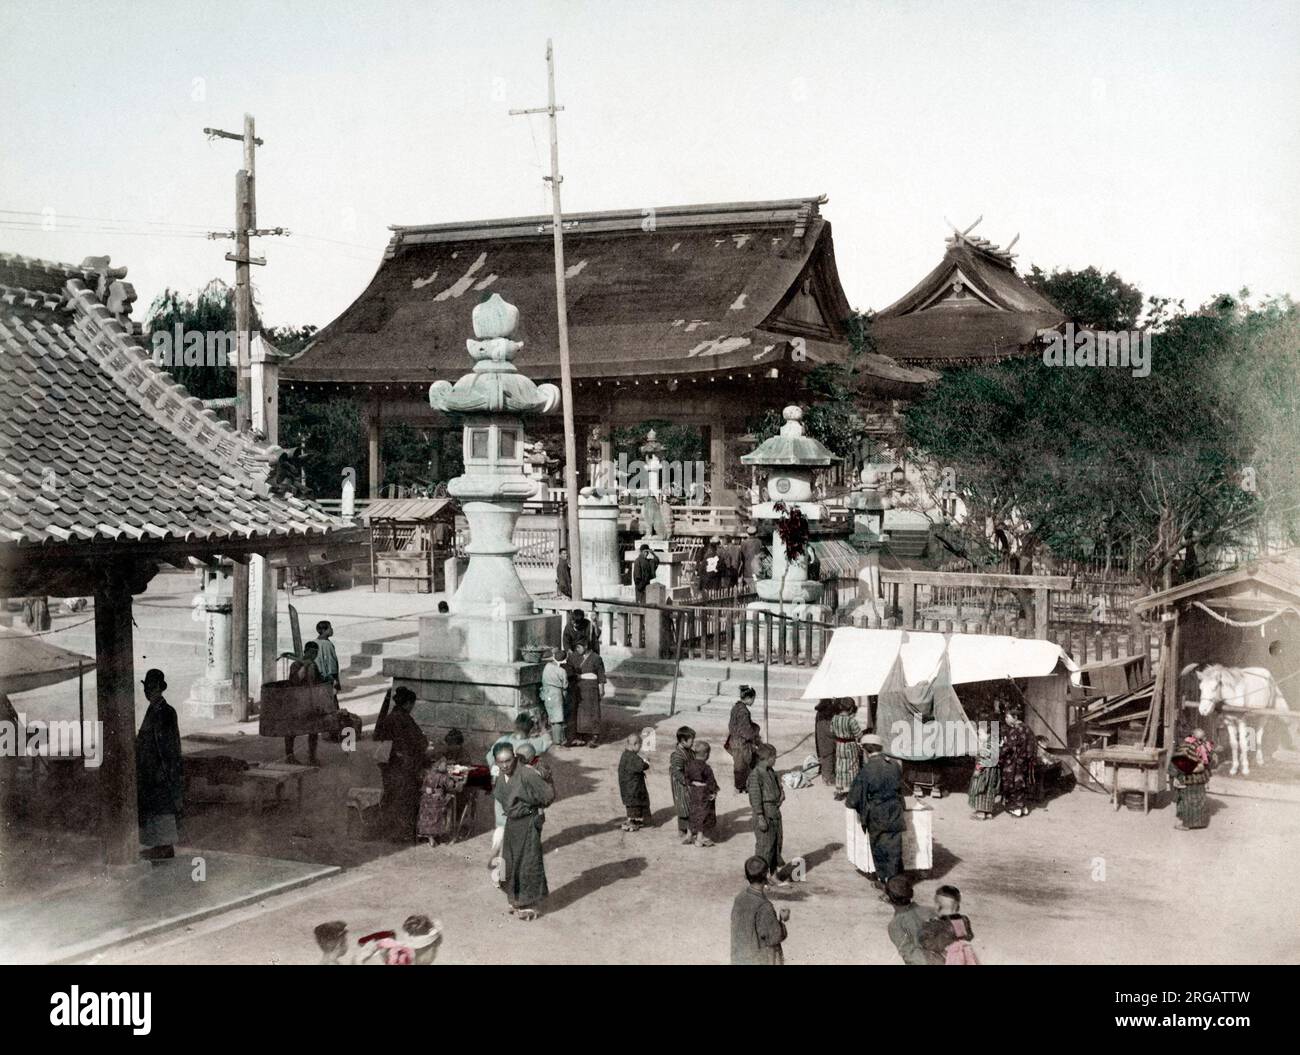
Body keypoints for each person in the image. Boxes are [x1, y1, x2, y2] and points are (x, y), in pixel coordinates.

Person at [493, 742, 555, 921]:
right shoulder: (501, 775)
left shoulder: (527, 773)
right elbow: (499, 794)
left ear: (514, 757)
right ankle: (514, 898)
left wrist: (534, 806)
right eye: (500, 761)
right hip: (512, 822)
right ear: (496, 761)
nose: (505, 765)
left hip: (528, 821)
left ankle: (528, 902)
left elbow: (548, 795)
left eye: (508, 760)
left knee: (527, 861)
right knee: (511, 860)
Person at [486, 715, 554, 878]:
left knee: (501, 824)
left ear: (515, 726)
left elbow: (490, 757)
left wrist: (495, 774)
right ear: (530, 729)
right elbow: (548, 741)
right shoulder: (532, 744)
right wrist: (543, 728)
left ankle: (496, 847)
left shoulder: (503, 741)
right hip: (520, 793)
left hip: (502, 788)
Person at [847, 733, 906, 890]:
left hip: (877, 814)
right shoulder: (894, 765)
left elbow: (854, 798)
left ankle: (885, 882)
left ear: (866, 750)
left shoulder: (867, 769)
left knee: (880, 849)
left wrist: (855, 805)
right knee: (894, 848)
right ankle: (896, 881)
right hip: (895, 811)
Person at [136, 668, 183, 861]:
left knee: (163, 808)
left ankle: (165, 846)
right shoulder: (151, 709)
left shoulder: (167, 712)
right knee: (152, 808)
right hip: (149, 768)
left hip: (161, 768)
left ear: (159, 688)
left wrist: (167, 769)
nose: (148, 691)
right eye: (146, 688)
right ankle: (157, 845)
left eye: (151, 688)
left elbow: (172, 744)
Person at [375, 686, 429, 842]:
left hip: (388, 764)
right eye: (412, 704)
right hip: (402, 765)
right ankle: (402, 834)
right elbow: (416, 741)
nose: (412, 707)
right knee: (406, 798)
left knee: (391, 796)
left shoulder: (391, 716)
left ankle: (389, 831)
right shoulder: (403, 718)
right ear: (407, 703)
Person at [730, 856, 789, 965]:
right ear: (767, 875)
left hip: (739, 957)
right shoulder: (764, 906)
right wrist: (782, 920)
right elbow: (775, 936)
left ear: (746, 876)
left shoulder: (739, 898)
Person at [747, 743, 789, 885]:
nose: (775, 760)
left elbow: (779, 787)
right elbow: (755, 797)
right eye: (773, 757)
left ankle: (773, 875)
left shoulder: (771, 772)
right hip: (764, 813)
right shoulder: (755, 775)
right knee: (765, 846)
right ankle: (759, 879)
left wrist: (781, 794)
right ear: (766, 758)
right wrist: (760, 816)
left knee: (776, 845)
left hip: (775, 812)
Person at [885, 875, 939, 965]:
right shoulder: (930, 910)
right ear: (912, 893)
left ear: (888, 899)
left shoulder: (895, 925)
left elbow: (910, 955)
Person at [919, 885, 979, 965]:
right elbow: (969, 936)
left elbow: (925, 943)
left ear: (938, 907)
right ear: (957, 907)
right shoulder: (964, 920)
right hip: (964, 958)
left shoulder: (934, 924)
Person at [285, 641, 323, 766]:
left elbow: (318, 681)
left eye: (315, 653)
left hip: (310, 701)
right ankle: (289, 756)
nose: (313, 656)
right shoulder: (295, 665)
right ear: (305, 652)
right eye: (311, 653)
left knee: (313, 730)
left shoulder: (314, 665)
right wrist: (304, 666)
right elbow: (296, 680)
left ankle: (312, 757)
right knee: (292, 730)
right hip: (296, 701)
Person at [1169, 729, 1214, 830]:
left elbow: (1179, 761)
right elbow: (1209, 761)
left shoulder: (1195, 746)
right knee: (1191, 800)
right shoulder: (1197, 746)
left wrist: (1175, 776)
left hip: (1193, 778)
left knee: (1191, 800)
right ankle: (1189, 823)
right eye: (1201, 738)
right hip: (1193, 778)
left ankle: (1190, 823)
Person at [998, 705, 1036, 818]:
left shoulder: (1015, 730)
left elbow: (1008, 747)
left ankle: (1016, 808)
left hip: (1013, 762)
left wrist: (998, 753)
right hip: (1024, 761)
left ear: (1014, 717)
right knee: (1022, 782)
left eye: (1007, 717)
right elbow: (1033, 745)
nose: (1006, 719)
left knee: (1012, 784)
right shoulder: (1027, 728)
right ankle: (1023, 806)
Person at [567, 639, 607, 747]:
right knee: (581, 712)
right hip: (579, 688)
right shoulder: (574, 657)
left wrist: (602, 687)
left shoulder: (596, 658)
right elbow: (570, 671)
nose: (577, 649)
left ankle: (595, 736)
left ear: (585, 646)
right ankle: (582, 734)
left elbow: (601, 674)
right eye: (576, 647)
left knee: (593, 711)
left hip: (592, 689)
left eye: (579, 647)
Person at [417, 756, 460, 845]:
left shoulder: (426, 773)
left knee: (428, 815)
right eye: (445, 764)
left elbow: (421, 787)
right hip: (437, 801)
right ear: (439, 765)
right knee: (449, 801)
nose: (446, 766)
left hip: (425, 800)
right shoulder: (443, 777)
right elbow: (451, 787)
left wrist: (427, 790)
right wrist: (457, 783)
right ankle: (444, 834)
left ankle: (429, 837)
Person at [725, 685, 761, 793]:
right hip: (741, 742)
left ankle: (741, 785)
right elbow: (744, 729)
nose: (753, 701)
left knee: (741, 763)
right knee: (742, 764)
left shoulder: (736, 707)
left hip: (734, 740)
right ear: (749, 698)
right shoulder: (744, 711)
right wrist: (754, 736)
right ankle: (740, 786)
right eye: (753, 698)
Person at [685, 741, 719, 846]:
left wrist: (692, 783)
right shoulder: (706, 768)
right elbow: (711, 781)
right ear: (706, 755)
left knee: (693, 812)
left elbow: (686, 778)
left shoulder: (689, 765)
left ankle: (689, 835)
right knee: (704, 814)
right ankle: (700, 838)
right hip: (704, 793)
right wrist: (714, 791)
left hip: (694, 792)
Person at [618, 733, 652, 831]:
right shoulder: (633, 758)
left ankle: (633, 820)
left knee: (631, 804)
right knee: (635, 803)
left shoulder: (625, 755)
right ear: (635, 744)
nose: (639, 749)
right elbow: (642, 766)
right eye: (639, 746)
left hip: (626, 785)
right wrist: (647, 762)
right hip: (634, 786)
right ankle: (632, 821)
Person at [967, 721, 1000, 820]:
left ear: (988, 734)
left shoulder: (987, 745)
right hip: (992, 772)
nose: (979, 736)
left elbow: (982, 759)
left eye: (981, 734)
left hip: (984, 772)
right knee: (989, 790)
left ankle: (981, 813)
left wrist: (978, 769)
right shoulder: (993, 743)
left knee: (980, 789)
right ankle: (988, 811)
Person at [831, 698, 863, 800]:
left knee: (840, 767)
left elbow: (831, 731)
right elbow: (859, 734)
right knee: (852, 768)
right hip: (850, 746)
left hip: (839, 745)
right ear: (851, 709)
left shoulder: (834, 718)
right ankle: (851, 790)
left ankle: (839, 791)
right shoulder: (851, 720)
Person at [670, 725, 696, 841]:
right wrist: (686, 781)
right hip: (681, 785)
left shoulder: (689, 751)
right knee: (683, 806)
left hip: (689, 783)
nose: (693, 743)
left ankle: (690, 828)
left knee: (690, 804)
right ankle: (682, 829)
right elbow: (676, 771)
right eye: (691, 741)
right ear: (683, 741)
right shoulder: (677, 755)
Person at [540, 647, 570, 746]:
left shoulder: (547, 666)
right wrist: (565, 697)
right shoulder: (562, 671)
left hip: (546, 693)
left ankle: (555, 737)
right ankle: (558, 740)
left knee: (551, 715)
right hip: (556, 694)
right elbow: (565, 686)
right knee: (558, 718)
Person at [814, 698, 837, 787]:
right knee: (829, 760)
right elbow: (830, 731)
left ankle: (826, 777)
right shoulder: (828, 715)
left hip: (822, 741)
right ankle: (828, 779)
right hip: (829, 743)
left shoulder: (819, 713)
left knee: (826, 760)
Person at [314, 620, 341, 691]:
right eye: (330, 628)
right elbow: (331, 663)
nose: (332, 630)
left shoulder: (315, 642)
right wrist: (335, 680)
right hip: (328, 679)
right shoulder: (328, 645)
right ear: (324, 630)